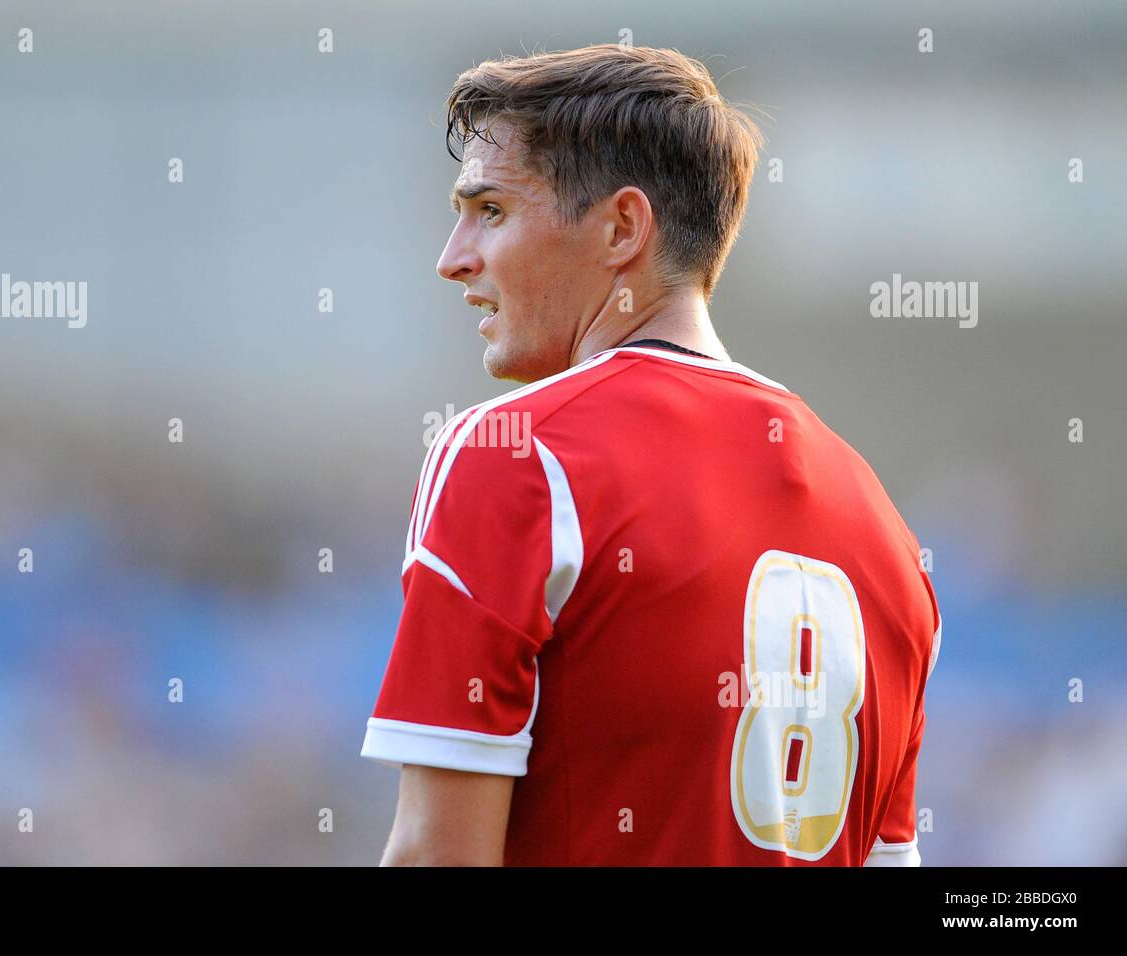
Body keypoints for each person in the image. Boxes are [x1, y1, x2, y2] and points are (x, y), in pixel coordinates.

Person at [360, 44, 941, 866]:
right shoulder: (888, 535)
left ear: (623, 228)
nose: (453, 257)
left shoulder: (517, 455)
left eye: (489, 210)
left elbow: (435, 854)